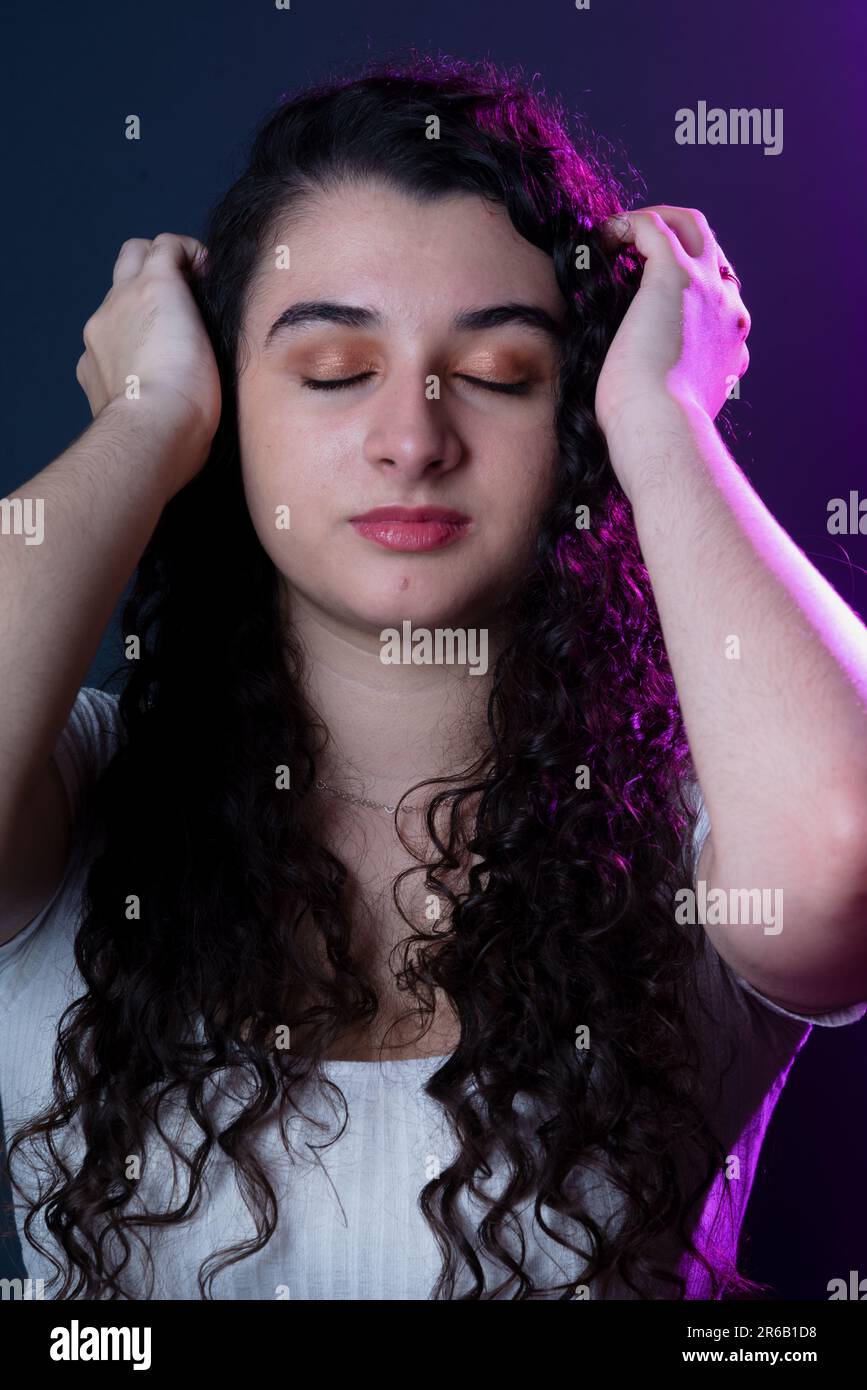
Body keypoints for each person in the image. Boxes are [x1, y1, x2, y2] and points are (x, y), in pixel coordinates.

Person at [1, 54, 866, 1303]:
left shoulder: (697, 832)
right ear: (226, 410)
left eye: (505, 374)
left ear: (579, 417)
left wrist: (669, 421)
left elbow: (845, 855)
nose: (413, 435)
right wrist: (142, 418)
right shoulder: (75, 785)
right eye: (333, 371)